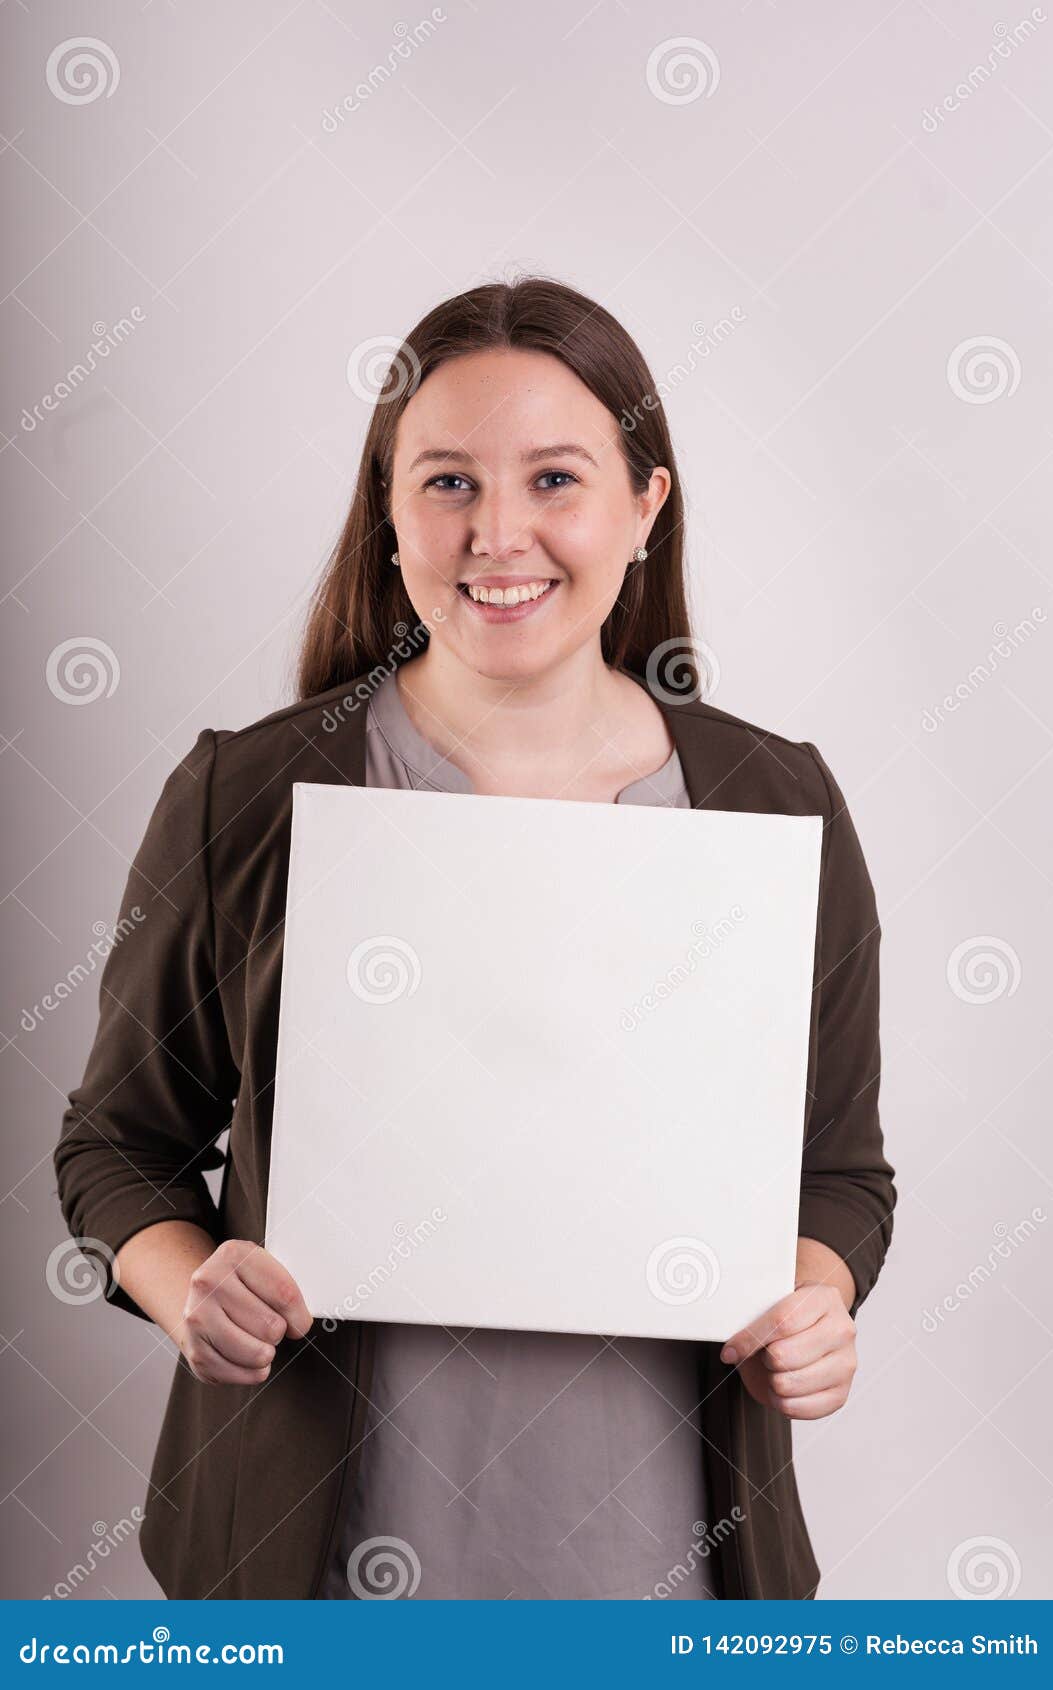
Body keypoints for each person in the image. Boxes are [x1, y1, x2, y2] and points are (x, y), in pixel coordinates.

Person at [54, 277, 895, 1601]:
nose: (498, 533)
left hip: (668, 1577)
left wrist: (817, 1302)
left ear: (644, 505)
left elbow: (840, 1171)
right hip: (312, 1575)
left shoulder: (776, 802)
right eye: (447, 483)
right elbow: (117, 1147)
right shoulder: (249, 794)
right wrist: (187, 1287)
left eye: (555, 477)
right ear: (389, 511)